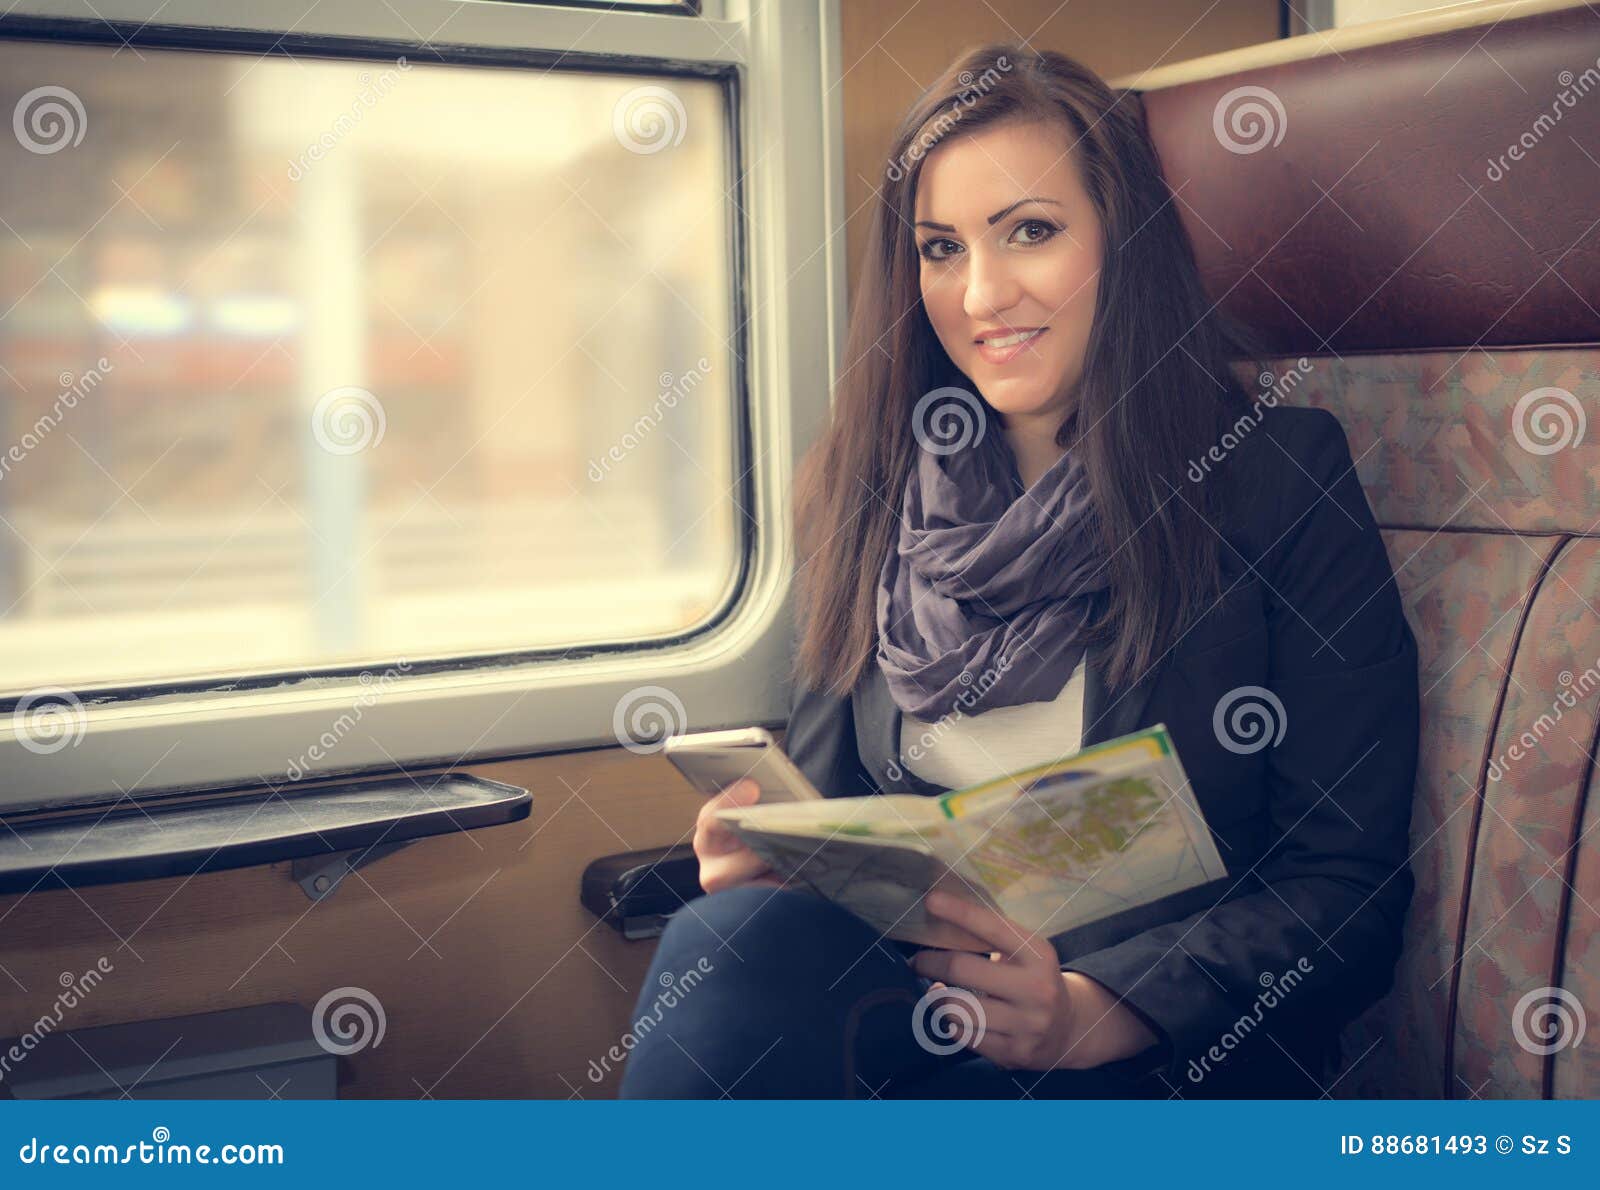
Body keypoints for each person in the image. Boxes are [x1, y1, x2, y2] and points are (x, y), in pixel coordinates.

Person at [617, 42, 1419, 1099]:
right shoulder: (867, 488)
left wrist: (1100, 1010)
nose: (982, 293)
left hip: (1157, 1055)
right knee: (730, 937)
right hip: (923, 1017)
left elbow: (1347, 887)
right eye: (941, 248)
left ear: (1123, 242)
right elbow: (836, 809)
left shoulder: (1273, 478)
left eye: (1030, 231)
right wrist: (772, 868)